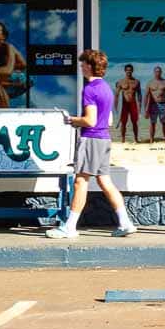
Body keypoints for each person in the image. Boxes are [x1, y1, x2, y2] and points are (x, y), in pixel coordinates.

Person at [46, 49, 137, 240]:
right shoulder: (106, 88)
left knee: (80, 182)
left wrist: (71, 120)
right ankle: (125, 222)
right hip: (104, 139)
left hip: (91, 139)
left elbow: (90, 120)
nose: (81, 66)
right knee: (105, 181)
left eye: (83, 63)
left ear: (89, 66)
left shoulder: (89, 89)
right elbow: (108, 119)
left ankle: (69, 227)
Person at [143, 65, 165, 142]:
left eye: (159, 72)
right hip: (153, 105)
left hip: (162, 104)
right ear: (154, 72)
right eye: (156, 72)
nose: (157, 73)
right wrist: (145, 109)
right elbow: (146, 96)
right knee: (152, 123)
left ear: (161, 72)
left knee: (164, 123)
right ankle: (151, 139)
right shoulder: (150, 83)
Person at [115, 64, 142, 143]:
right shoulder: (121, 82)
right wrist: (116, 108)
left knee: (134, 122)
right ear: (125, 71)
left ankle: (136, 139)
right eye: (127, 70)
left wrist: (140, 106)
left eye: (130, 70)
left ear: (132, 71)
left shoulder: (136, 82)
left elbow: (139, 95)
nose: (129, 72)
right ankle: (123, 139)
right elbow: (116, 95)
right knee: (123, 123)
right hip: (124, 105)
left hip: (133, 104)